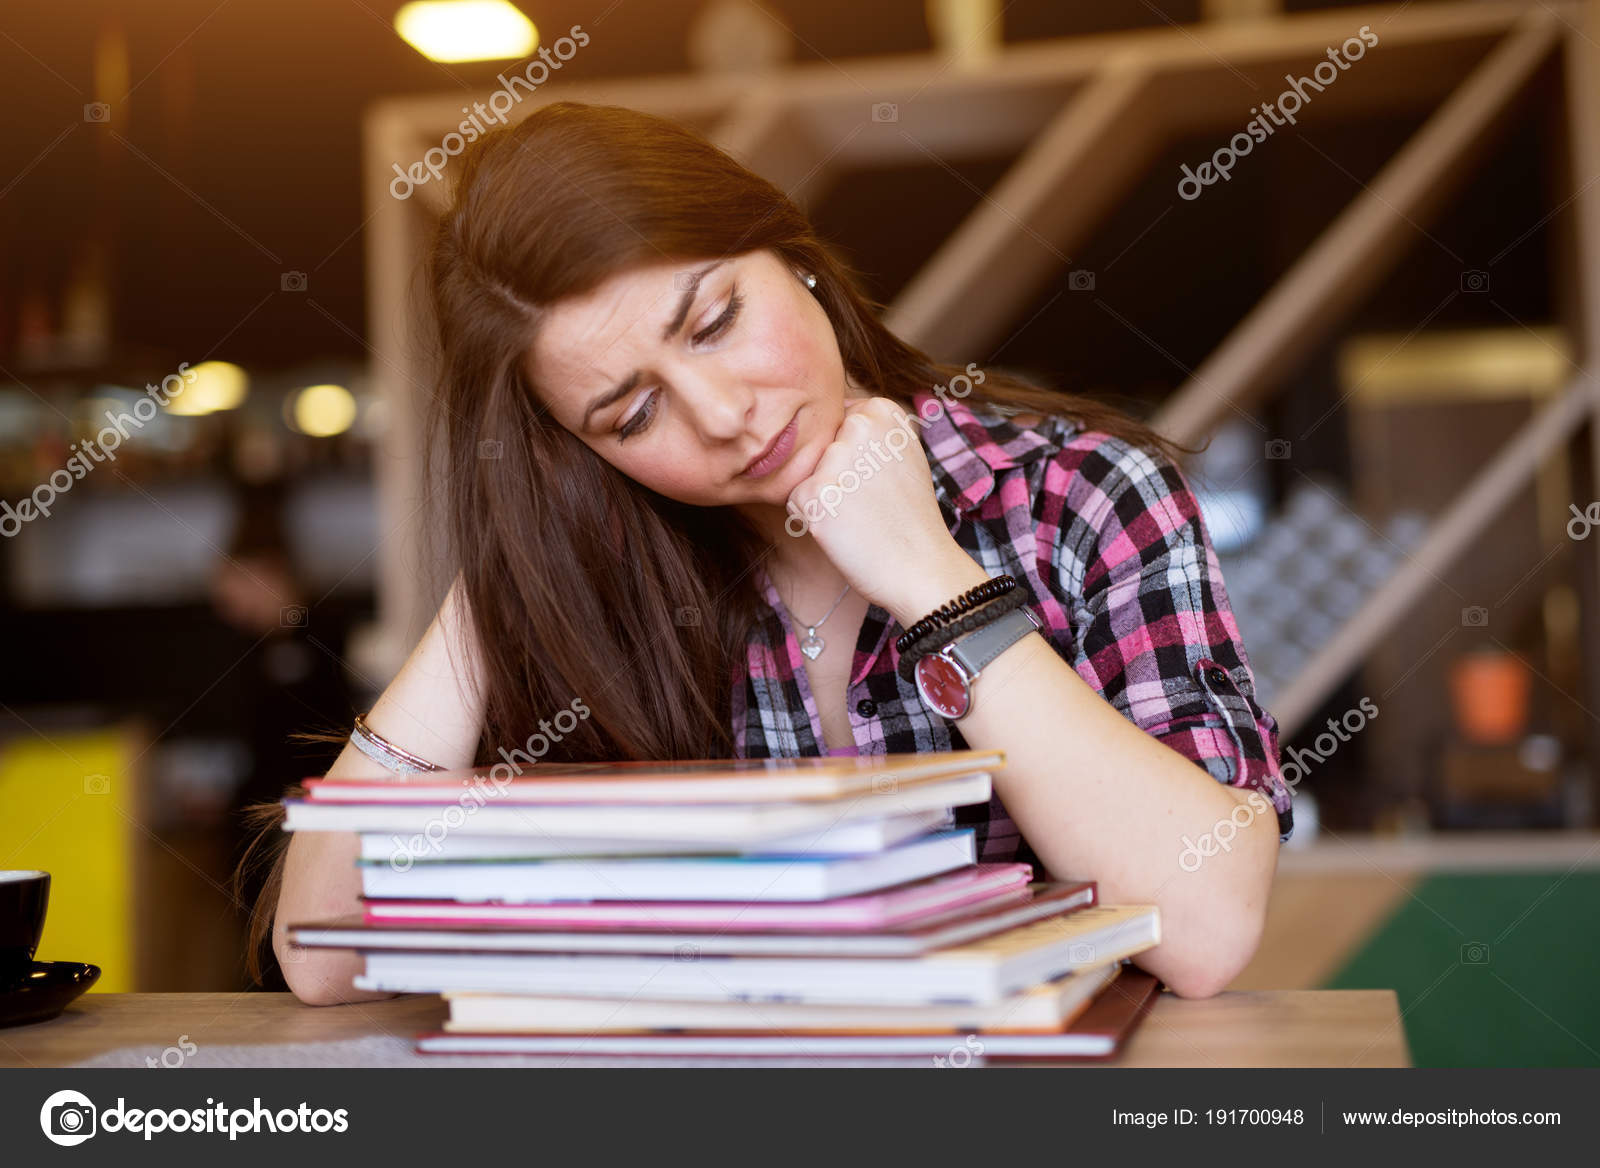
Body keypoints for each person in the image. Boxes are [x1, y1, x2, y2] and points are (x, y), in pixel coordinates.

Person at [243, 101, 1293, 1006]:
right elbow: (323, 959)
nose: (723, 415)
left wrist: (934, 581)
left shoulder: (1079, 496)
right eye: (632, 412)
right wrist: (501, 588)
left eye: (714, 321)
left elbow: (1203, 929)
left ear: (793, 257)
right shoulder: (605, 586)